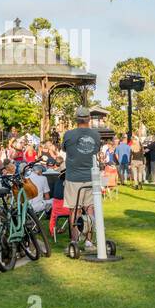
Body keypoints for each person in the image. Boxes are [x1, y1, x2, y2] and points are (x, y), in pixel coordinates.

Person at [61, 107, 101, 253]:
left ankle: (75, 241)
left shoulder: (69, 135)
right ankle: (89, 242)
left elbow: (66, 150)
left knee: (74, 210)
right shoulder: (96, 135)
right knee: (90, 209)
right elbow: (96, 151)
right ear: (89, 118)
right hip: (91, 176)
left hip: (73, 177)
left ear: (76, 119)